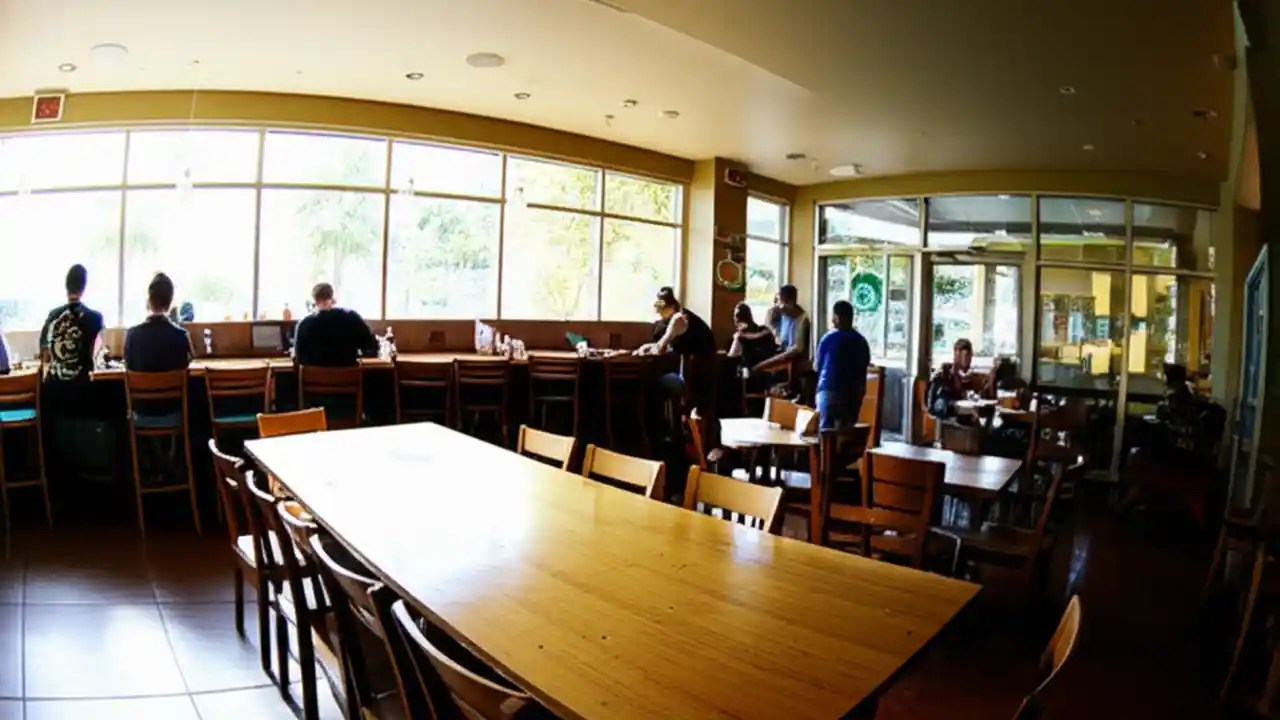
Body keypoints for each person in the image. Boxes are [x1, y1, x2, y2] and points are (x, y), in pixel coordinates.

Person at [41, 264, 104, 385]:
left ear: (66, 287)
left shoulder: (51, 317)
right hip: (81, 392)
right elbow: (95, 356)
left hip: (52, 394)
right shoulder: (95, 318)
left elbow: (44, 359)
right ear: (84, 287)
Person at [814, 300, 871, 429]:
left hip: (829, 391)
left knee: (826, 432)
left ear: (836, 318)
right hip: (853, 394)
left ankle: (828, 448)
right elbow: (864, 366)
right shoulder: (861, 341)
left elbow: (818, 367)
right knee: (847, 431)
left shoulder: (828, 339)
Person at [293, 282, 378, 366]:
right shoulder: (352, 317)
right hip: (347, 377)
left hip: (314, 379)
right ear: (333, 298)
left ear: (315, 300)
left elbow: (299, 357)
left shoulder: (304, 324)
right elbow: (370, 345)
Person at [124, 273, 192, 373]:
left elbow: (128, 366)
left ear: (149, 302)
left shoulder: (132, 335)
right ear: (170, 304)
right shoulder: (181, 336)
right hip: (173, 388)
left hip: (142, 388)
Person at [635, 287, 715, 356]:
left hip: (698, 361)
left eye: (662, 310)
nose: (660, 314)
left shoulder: (679, 318)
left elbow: (661, 347)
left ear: (672, 306)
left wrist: (651, 348)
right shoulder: (669, 319)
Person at [753, 284, 810, 374]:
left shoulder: (802, 320)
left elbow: (794, 351)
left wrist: (762, 365)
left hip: (791, 361)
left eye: (778, 302)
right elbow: (772, 330)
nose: (776, 306)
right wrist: (773, 328)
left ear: (789, 302)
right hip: (780, 353)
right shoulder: (783, 316)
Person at [727, 302, 777, 370]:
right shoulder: (766, 331)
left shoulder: (739, 337)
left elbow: (731, 357)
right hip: (769, 368)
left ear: (736, 319)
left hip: (749, 372)